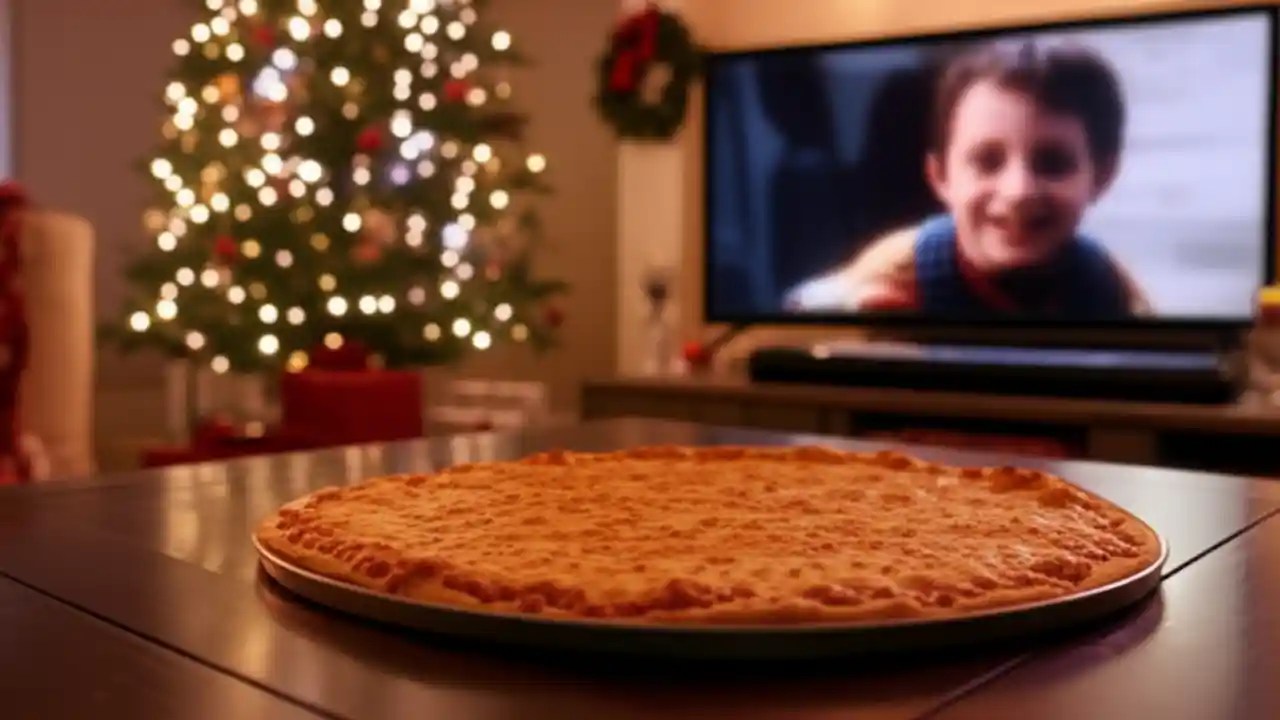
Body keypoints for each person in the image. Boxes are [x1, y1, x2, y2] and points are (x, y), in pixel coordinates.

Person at [784, 40, 1151, 318]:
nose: (1018, 191)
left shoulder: (1107, 286)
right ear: (941, 177)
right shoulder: (894, 273)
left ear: (1102, 177)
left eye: (1052, 164)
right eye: (988, 162)